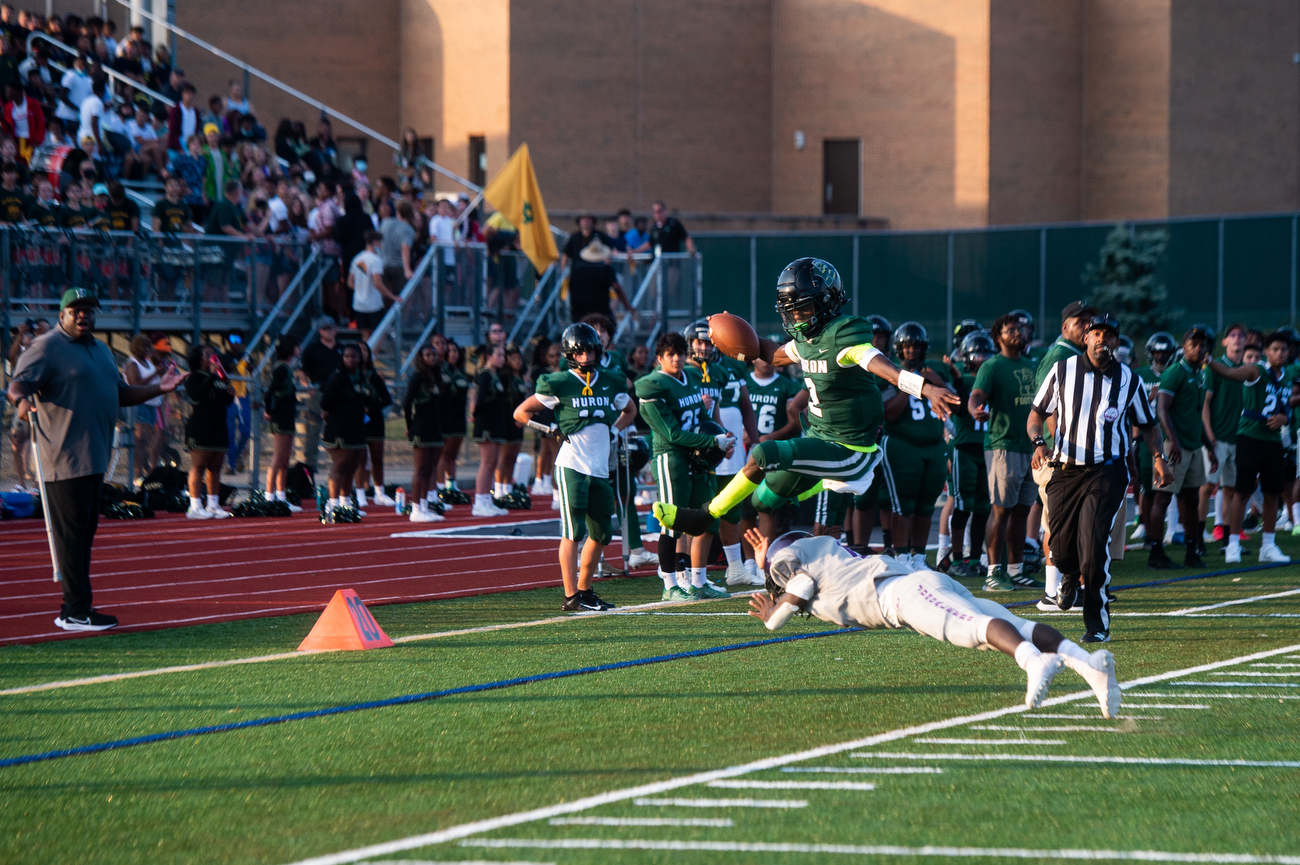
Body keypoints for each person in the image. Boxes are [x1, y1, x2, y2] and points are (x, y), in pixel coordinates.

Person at [657, 259, 958, 551]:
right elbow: (773, 355)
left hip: (849, 450)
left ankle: (704, 515)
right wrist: (732, 330)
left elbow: (882, 366)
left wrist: (925, 388)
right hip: (819, 439)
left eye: (802, 309)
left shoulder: (843, 336)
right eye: (791, 311)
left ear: (827, 302)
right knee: (762, 500)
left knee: (763, 453)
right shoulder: (807, 340)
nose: (796, 317)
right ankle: (763, 564)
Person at [745, 529, 1123, 717]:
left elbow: (799, 584)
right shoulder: (820, 550)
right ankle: (1088, 667)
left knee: (973, 629)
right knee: (1010, 623)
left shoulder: (792, 563)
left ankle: (1031, 660)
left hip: (900, 596)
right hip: (915, 581)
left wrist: (771, 619)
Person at [7, 290, 185, 631]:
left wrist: (160, 388)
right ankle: (75, 610)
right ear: (62, 314)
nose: (83, 315)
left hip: (95, 458)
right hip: (63, 458)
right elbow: (17, 384)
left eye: (88, 310)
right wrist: (23, 400)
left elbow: (121, 393)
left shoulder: (102, 350)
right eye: (76, 310)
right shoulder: (46, 347)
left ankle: (76, 606)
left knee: (84, 534)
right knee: (72, 536)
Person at [1029, 313, 1170, 643]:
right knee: (1062, 549)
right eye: (1096, 334)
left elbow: (1147, 425)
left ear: (1117, 342)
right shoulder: (1062, 370)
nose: (1101, 341)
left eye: (1109, 336)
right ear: (1086, 338)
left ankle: (1097, 624)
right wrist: (1038, 443)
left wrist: (1159, 458)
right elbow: (1036, 413)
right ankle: (1067, 574)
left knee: (1093, 546)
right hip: (1065, 469)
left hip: (1107, 470)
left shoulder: (1129, 380)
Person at [514, 323, 637, 611]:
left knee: (602, 534)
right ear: (571, 354)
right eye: (580, 352)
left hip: (600, 469)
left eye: (590, 350)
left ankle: (585, 589)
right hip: (571, 466)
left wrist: (615, 430)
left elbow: (630, 410)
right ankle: (571, 596)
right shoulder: (559, 382)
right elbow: (521, 412)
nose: (586, 357)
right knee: (573, 531)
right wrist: (550, 427)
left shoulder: (609, 380)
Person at [636, 331, 735, 601]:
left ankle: (698, 581)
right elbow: (673, 434)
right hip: (672, 459)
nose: (677, 359)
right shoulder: (652, 385)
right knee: (673, 523)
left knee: (707, 518)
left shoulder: (690, 376)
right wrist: (712, 441)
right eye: (671, 355)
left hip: (697, 457)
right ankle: (670, 585)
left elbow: (703, 416)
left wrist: (723, 438)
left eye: (680, 353)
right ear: (660, 358)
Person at [1205, 330, 1297, 564]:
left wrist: (1284, 418)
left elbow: (1286, 406)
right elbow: (1230, 373)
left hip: (1273, 441)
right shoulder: (1257, 371)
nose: (1279, 353)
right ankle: (1232, 544)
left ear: (1288, 353)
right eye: (1274, 349)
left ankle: (1268, 545)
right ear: (1266, 352)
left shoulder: (1287, 376)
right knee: (1242, 492)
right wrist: (1209, 360)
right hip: (1249, 437)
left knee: (1272, 493)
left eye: (1283, 350)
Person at [683, 317, 761, 585]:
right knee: (695, 511)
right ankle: (680, 571)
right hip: (690, 451)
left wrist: (730, 438)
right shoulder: (683, 372)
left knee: (730, 507)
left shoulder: (720, 371)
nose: (704, 348)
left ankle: (736, 567)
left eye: (708, 342)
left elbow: (723, 411)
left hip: (720, 447)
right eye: (699, 342)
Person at [968, 312, 1041, 591]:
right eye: (1011, 330)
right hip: (1003, 446)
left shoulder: (1030, 364)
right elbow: (976, 395)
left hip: (1029, 447)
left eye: (1020, 329)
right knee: (1000, 510)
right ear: (998, 337)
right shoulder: (993, 366)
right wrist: (975, 410)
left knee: (1022, 511)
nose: (1018, 334)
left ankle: (1016, 570)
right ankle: (993, 573)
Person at [1146, 325, 1216, 570]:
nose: (1198, 348)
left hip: (1194, 446)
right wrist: (1172, 440)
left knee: (1191, 501)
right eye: (1193, 344)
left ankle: (1191, 550)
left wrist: (1208, 446)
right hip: (1174, 446)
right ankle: (1155, 553)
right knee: (1162, 499)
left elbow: (1196, 415)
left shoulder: (1200, 373)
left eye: (1202, 344)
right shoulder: (1176, 371)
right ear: (1184, 347)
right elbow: (1162, 409)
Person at [944, 329, 995, 580]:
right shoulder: (962, 380)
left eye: (987, 354)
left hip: (988, 449)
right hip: (964, 448)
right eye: (977, 355)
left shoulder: (995, 379)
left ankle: (975, 558)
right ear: (966, 357)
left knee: (984, 507)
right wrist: (955, 377)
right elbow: (960, 408)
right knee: (963, 505)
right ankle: (956, 558)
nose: (983, 359)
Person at [1203, 323, 1247, 546]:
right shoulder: (1216, 366)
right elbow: (1205, 404)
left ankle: (1228, 538)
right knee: (1207, 487)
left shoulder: (1249, 370)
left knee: (1231, 488)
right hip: (1217, 437)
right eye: (1233, 335)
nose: (1237, 338)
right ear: (1224, 341)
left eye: (1241, 335)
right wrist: (1209, 435)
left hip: (1238, 439)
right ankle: (1198, 538)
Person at [181, 344, 234, 520]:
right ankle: (195, 506)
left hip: (218, 427)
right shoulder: (194, 377)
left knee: (215, 467)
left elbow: (224, 401)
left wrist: (230, 393)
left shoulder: (219, 376)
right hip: (200, 427)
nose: (213, 356)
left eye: (214, 353)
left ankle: (213, 505)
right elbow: (197, 395)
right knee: (199, 467)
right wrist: (212, 374)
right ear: (198, 358)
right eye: (207, 354)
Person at [319, 342, 368, 520]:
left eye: (354, 356)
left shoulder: (360, 376)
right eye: (347, 356)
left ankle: (345, 502)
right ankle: (332, 503)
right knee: (340, 465)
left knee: (353, 466)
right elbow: (325, 402)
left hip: (357, 428)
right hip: (339, 427)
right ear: (342, 357)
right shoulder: (338, 377)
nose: (350, 359)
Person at [404, 343, 446, 523]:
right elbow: (406, 403)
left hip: (435, 427)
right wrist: (410, 425)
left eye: (434, 355)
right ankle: (415, 509)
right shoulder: (417, 376)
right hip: (420, 426)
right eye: (428, 355)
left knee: (430, 469)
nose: (432, 358)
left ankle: (424, 506)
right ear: (421, 358)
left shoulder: (436, 377)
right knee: (420, 469)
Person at [294, 316, 341, 475]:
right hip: (318, 393)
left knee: (337, 430)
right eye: (326, 328)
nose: (330, 331)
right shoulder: (313, 349)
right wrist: (307, 385)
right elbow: (301, 370)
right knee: (313, 429)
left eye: (332, 327)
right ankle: (310, 465)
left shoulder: (341, 349)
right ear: (320, 331)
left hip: (337, 394)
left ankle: (338, 463)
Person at [471, 343, 512, 517]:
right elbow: (478, 400)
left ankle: (487, 500)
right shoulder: (485, 374)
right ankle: (479, 502)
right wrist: (476, 416)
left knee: (493, 463)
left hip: (496, 423)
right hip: (486, 423)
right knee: (487, 463)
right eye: (499, 355)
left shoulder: (496, 376)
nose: (503, 359)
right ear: (489, 356)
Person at [262, 335, 302, 513]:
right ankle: (269, 497)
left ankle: (281, 496)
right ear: (291, 348)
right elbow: (269, 392)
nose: (299, 348)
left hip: (288, 417)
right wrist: (269, 411)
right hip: (280, 417)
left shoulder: (287, 368)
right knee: (278, 459)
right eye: (297, 345)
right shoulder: (281, 369)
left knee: (285, 460)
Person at [122, 333, 165, 476]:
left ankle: (151, 468)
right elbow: (136, 384)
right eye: (143, 346)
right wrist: (155, 374)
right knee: (139, 440)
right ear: (135, 348)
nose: (146, 349)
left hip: (153, 404)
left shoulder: (148, 362)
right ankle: (137, 473)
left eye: (147, 346)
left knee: (149, 438)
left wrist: (161, 372)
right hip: (139, 404)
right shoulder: (132, 363)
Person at [436, 338, 472, 502]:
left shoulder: (460, 371)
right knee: (443, 454)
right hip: (445, 416)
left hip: (459, 417)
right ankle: (439, 487)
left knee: (452, 455)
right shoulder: (442, 370)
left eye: (455, 351)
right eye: (449, 351)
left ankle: (451, 484)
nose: (453, 354)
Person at [348, 230, 399, 341]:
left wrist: (361, 290)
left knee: (365, 335)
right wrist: (393, 297)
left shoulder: (357, 258)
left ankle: (367, 356)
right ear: (375, 242)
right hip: (373, 304)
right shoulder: (376, 260)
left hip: (358, 303)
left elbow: (350, 282)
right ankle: (372, 356)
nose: (381, 246)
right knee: (381, 335)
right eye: (380, 243)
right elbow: (377, 283)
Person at [568, 238, 632, 324]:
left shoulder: (577, 269)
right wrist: (627, 305)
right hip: (601, 312)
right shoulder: (606, 269)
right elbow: (616, 287)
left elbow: (570, 287)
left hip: (579, 313)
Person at [380, 198, 416, 294]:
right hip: (398, 266)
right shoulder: (408, 229)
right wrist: (407, 270)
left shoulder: (385, 223)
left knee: (383, 297)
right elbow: (405, 248)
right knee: (401, 297)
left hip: (383, 264)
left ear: (398, 212)